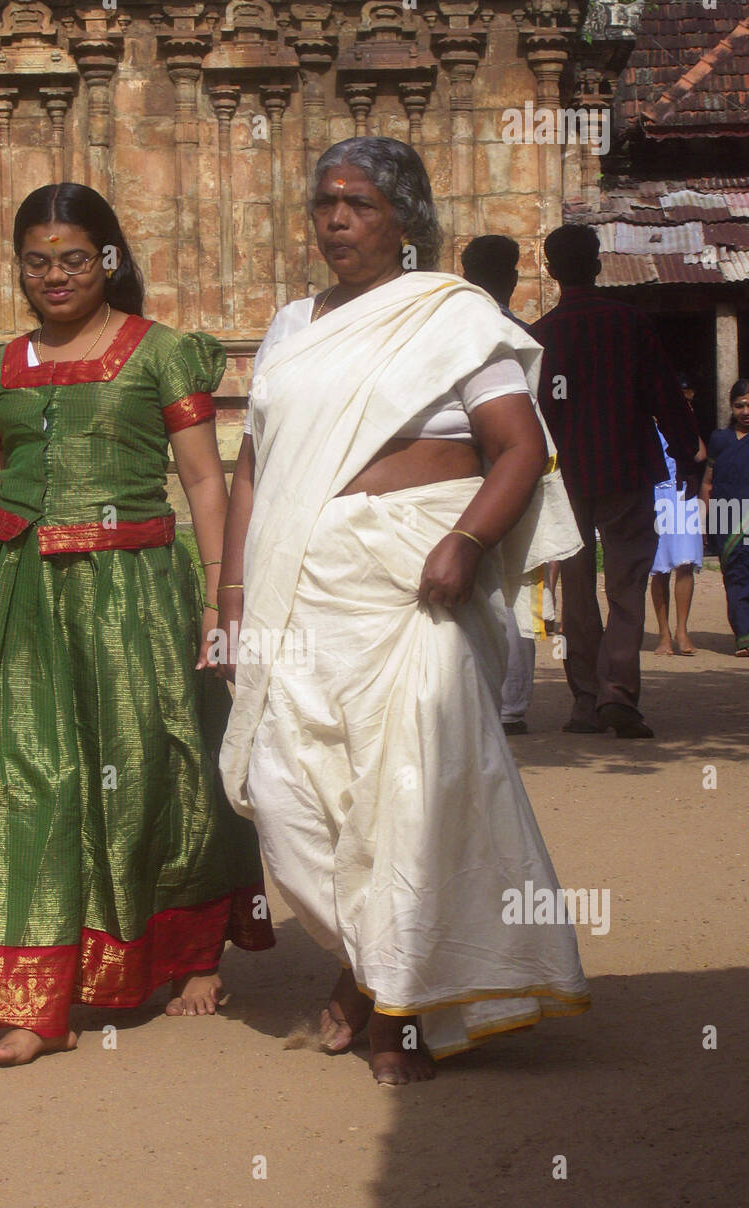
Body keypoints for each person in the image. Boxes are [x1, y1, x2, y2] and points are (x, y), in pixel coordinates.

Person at [217, 138, 590, 1086]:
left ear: (405, 220)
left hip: (413, 579)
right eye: (324, 203)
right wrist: (229, 592)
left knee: (410, 793)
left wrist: (465, 542)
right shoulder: (292, 326)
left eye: (359, 204)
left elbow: (516, 448)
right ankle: (374, 966)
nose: (336, 220)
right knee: (286, 790)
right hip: (299, 577)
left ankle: (401, 1005)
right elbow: (254, 463)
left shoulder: (451, 318)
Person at [0, 183, 272, 1066]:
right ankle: (38, 999)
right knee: (19, 782)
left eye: (74, 259)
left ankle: (190, 953)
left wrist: (218, 598)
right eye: (37, 261)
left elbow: (201, 482)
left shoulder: (162, 355)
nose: (55, 277)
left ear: (107, 260)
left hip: (133, 598)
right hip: (16, 605)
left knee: (158, 771)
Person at [530, 225, 699, 738]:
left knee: (577, 589)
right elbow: (663, 394)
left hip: (566, 477)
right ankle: (618, 696)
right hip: (626, 468)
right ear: (598, 264)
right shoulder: (629, 323)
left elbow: (530, 414)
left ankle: (585, 702)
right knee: (626, 585)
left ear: (552, 270)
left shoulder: (539, 336)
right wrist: (687, 452)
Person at [462, 234, 536, 733]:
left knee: (472, 588)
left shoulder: (454, 331)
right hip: (521, 480)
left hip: (467, 483)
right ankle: (510, 706)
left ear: (464, 274)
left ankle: (481, 700)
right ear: (512, 278)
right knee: (520, 591)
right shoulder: (525, 334)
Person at [703, 379, 749, 656]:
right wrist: (706, 520)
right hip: (726, 521)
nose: (745, 411)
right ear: (731, 407)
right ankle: (744, 637)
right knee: (735, 578)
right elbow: (708, 482)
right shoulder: (719, 440)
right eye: (739, 405)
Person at [650, 425, 703, 656]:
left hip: (684, 493)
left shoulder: (679, 421)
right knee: (660, 567)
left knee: (686, 562)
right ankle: (664, 634)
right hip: (654, 493)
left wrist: (686, 422)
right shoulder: (642, 422)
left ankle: (682, 630)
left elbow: (700, 454)